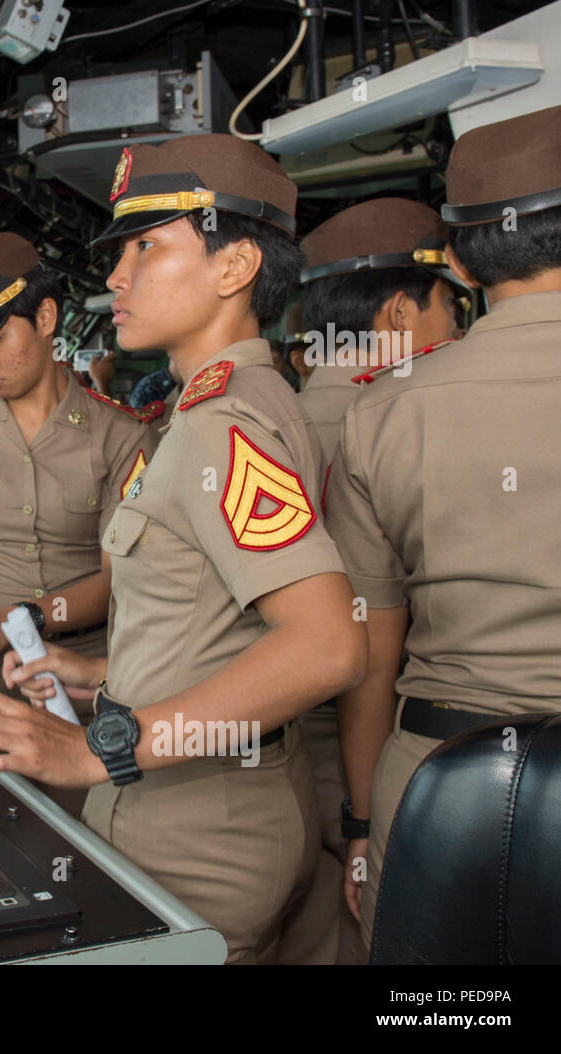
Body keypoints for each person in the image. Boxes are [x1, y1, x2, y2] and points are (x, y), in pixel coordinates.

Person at [0, 135, 367, 963]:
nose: (116, 277)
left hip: (196, 826)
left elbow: (327, 645)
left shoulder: (223, 424)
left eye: (147, 248)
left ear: (235, 266)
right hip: (233, 795)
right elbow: (218, 622)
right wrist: (100, 674)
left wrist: (96, 748)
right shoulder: (247, 399)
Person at [325, 104, 561, 951]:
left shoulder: (382, 413)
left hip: (434, 778)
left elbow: (369, 651)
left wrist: (362, 821)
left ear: (457, 261)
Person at [281, 197, 463, 963]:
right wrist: (365, 814)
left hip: (278, 749)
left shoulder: (264, 423)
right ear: (397, 312)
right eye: (449, 308)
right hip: (382, 743)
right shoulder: (420, 425)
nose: (457, 332)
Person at [0, 233, 162, 704]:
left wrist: (14, 620)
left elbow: (122, 580)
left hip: (88, 674)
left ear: (44, 318)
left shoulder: (122, 434)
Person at [296, 197, 463, 462]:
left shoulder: (272, 423)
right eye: (449, 302)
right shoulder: (424, 432)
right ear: (400, 313)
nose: (455, 325)